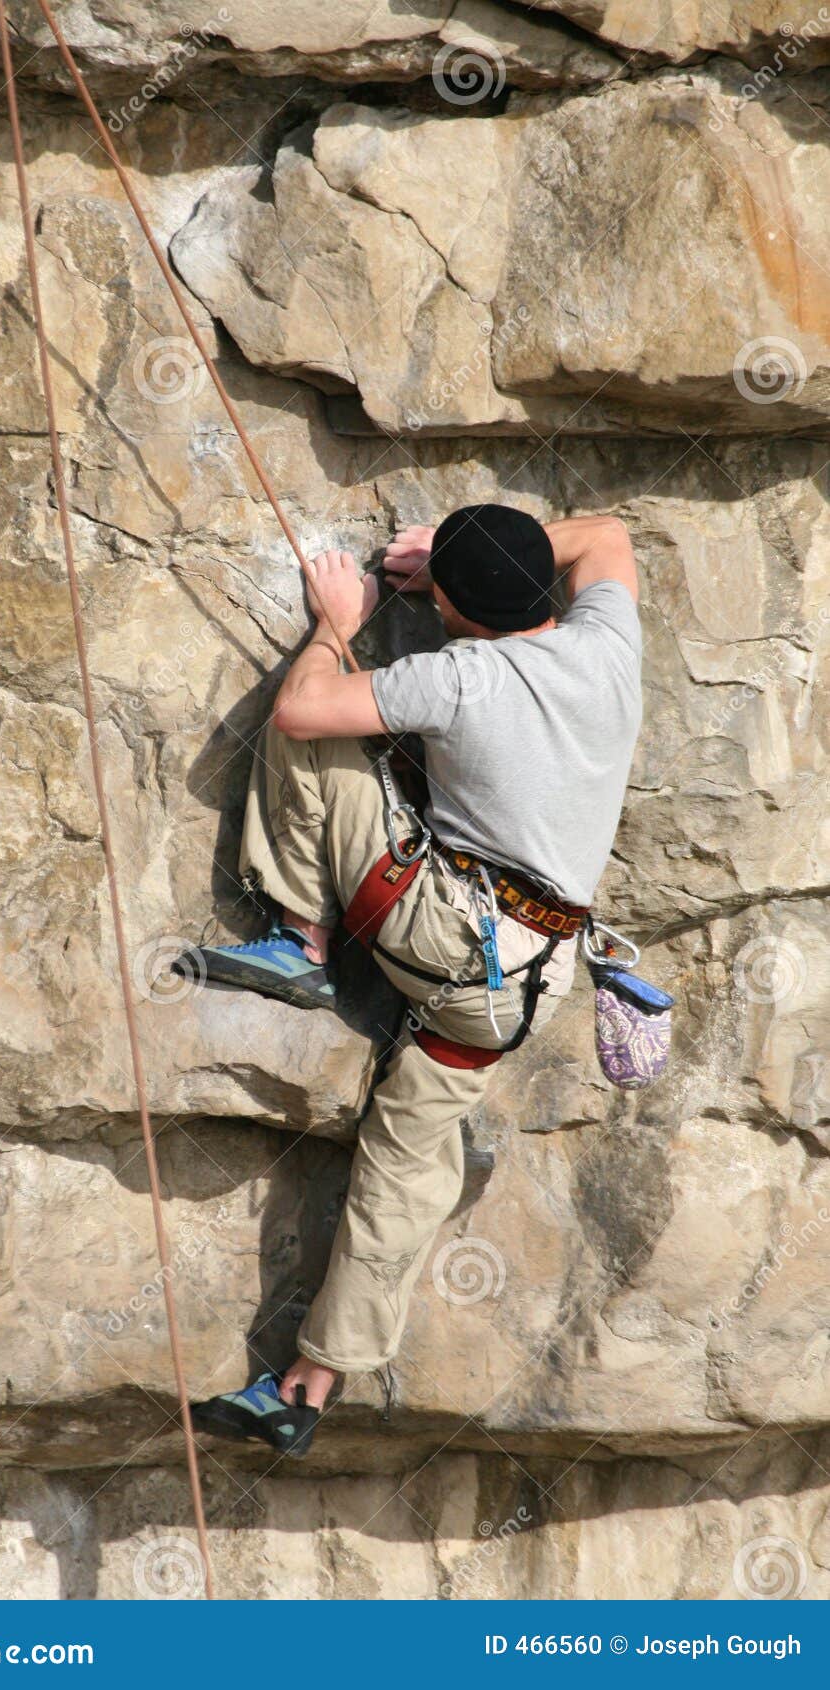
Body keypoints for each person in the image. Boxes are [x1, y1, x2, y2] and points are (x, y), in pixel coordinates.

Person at [188, 504, 642, 1456]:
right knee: (403, 1165)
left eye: (439, 596)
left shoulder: (462, 676)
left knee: (329, 747)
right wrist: (471, 558)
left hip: (447, 941)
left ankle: (300, 943)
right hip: (523, 990)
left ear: (453, 611)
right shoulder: (608, 644)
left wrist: (334, 627)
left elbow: (302, 711)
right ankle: (308, 1387)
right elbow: (603, 536)